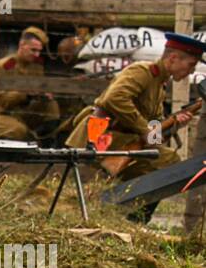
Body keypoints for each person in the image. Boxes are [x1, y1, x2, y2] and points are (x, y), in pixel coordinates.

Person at [64, 31, 203, 182]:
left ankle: (130, 204)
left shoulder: (159, 84)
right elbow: (114, 98)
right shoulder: (143, 71)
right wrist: (145, 130)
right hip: (100, 136)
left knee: (166, 159)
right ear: (173, 58)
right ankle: (127, 203)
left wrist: (174, 126)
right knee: (168, 160)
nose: (192, 71)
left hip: (122, 140)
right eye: (191, 65)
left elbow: (153, 130)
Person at [0, 26, 60, 141]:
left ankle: (43, 142)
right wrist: (25, 93)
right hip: (2, 114)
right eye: (33, 50)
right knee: (18, 131)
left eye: (39, 51)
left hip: (24, 112)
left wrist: (43, 94)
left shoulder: (36, 66)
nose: (37, 55)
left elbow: (39, 87)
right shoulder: (5, 66)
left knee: (51, 106)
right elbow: (1, 101)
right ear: (22, 46)